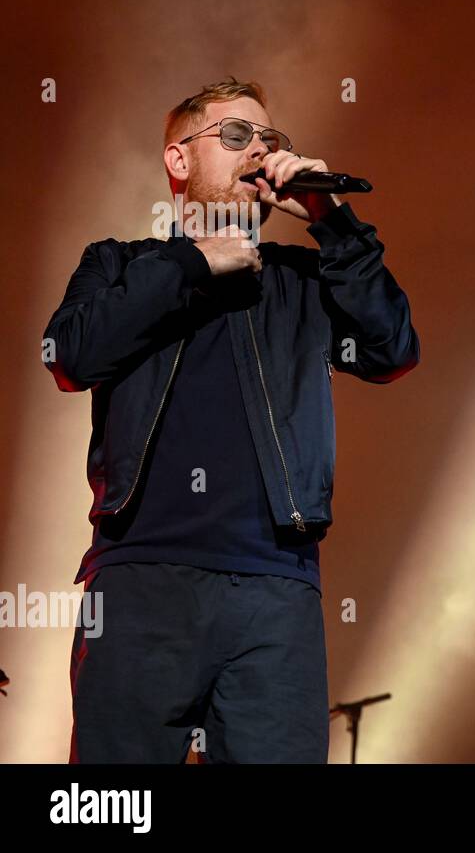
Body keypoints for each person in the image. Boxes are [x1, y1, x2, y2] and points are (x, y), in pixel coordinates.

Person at [43, 78, 420, 763]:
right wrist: (193, 262)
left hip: (274, 589)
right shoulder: (120, 265)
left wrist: (330, 218)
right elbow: (71, 355)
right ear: (179, 161)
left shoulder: (302, 281)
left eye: (270, 140)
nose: (259, 151)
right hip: (141, 581)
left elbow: (392, 349)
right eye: (237, 136)